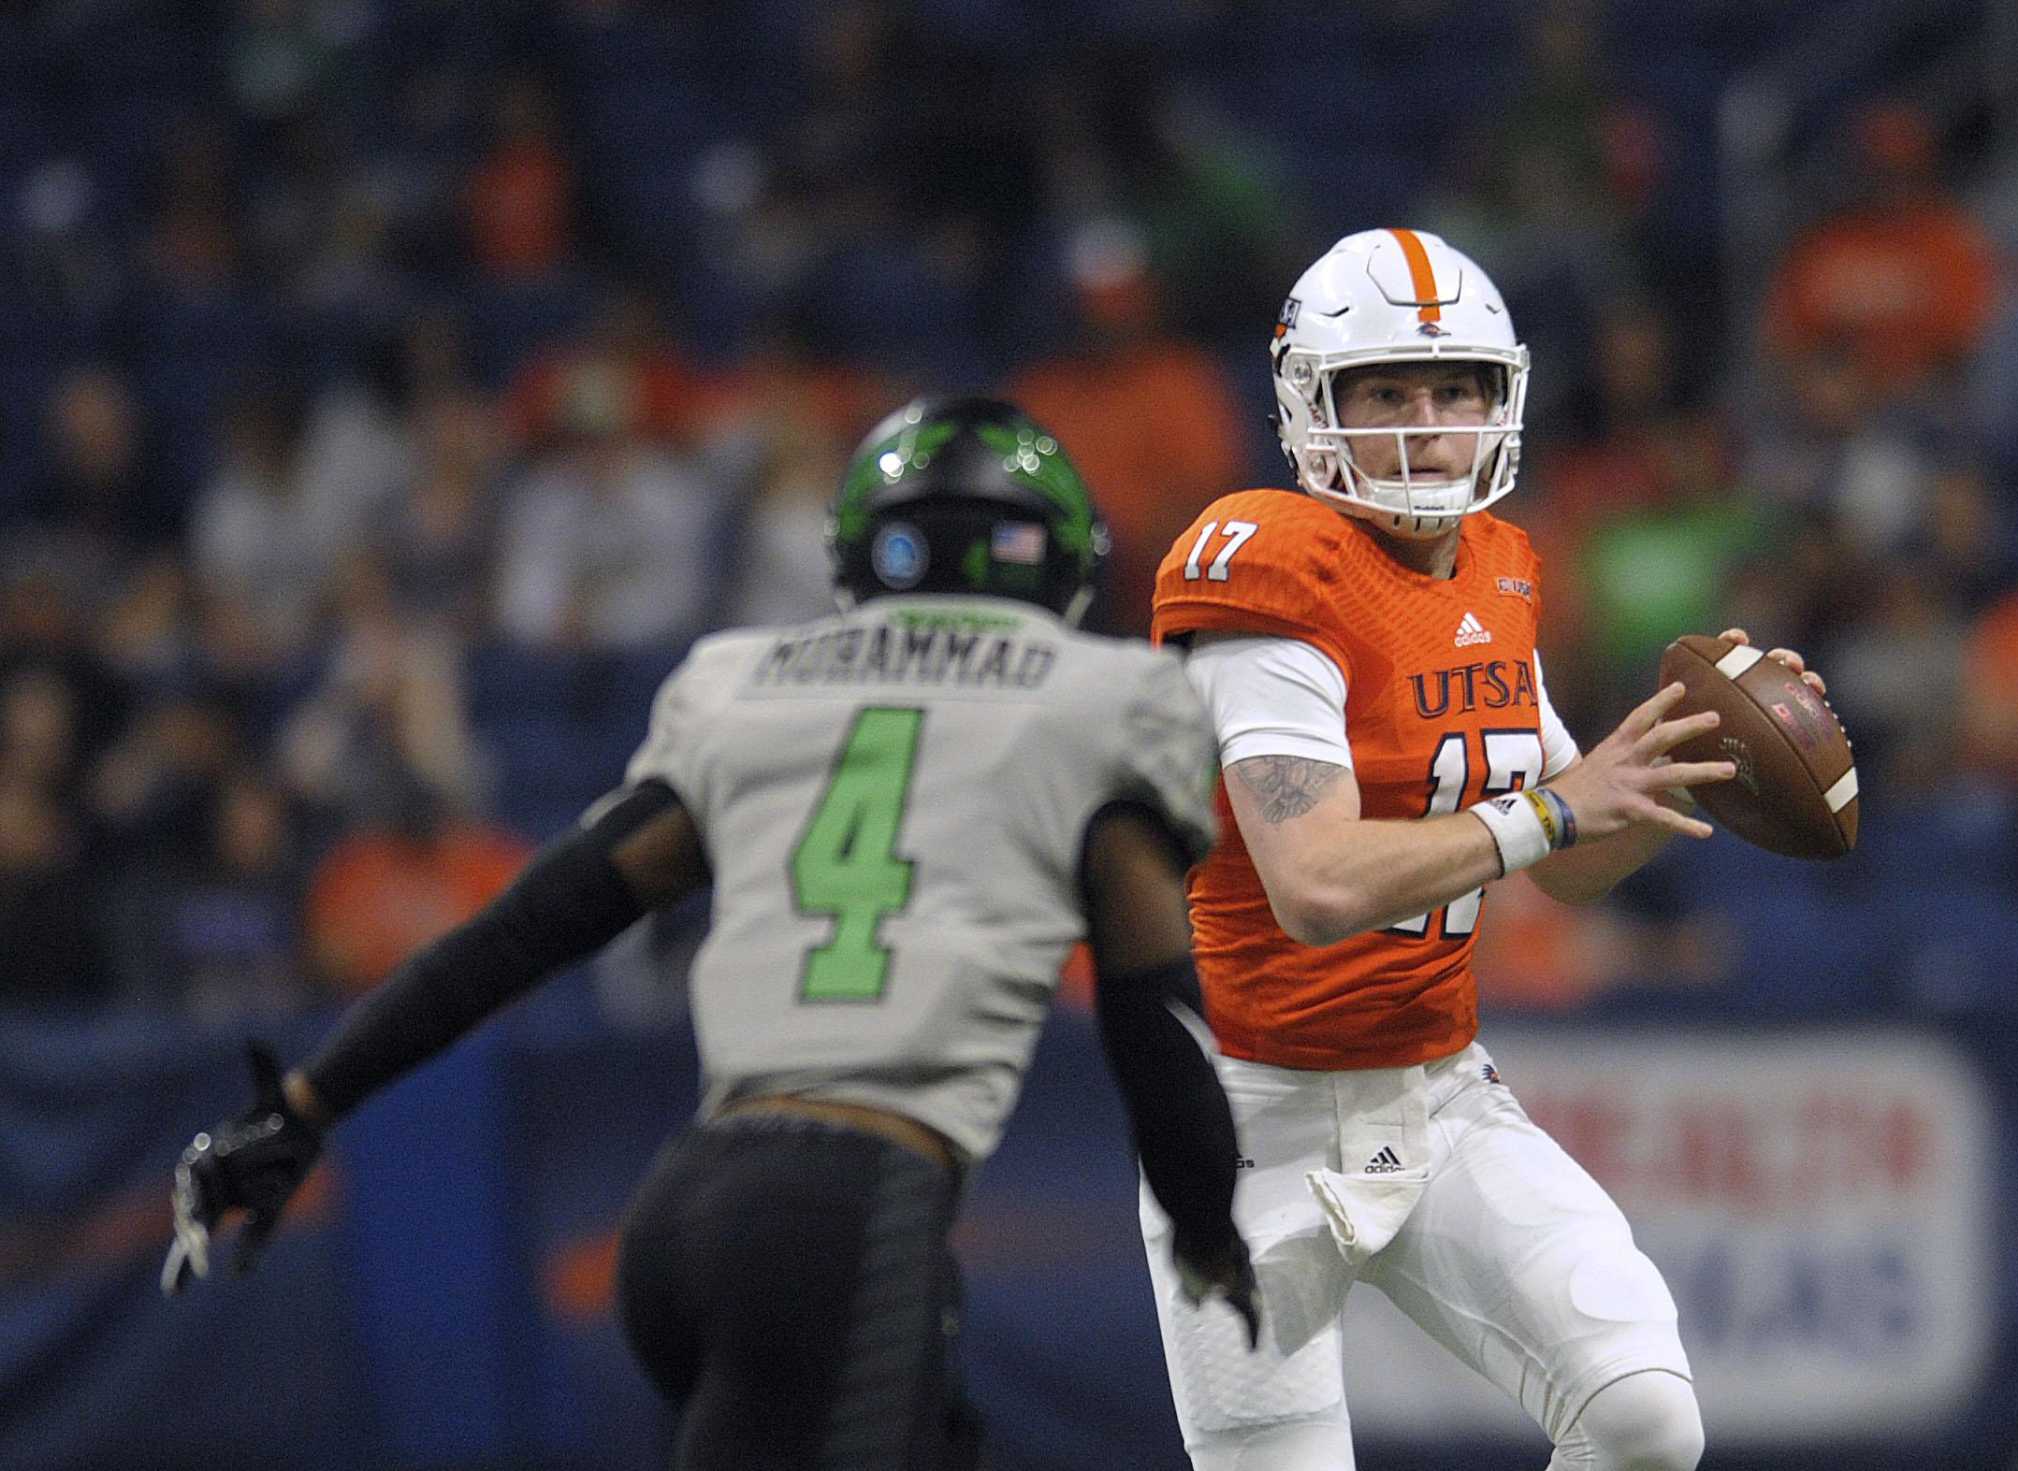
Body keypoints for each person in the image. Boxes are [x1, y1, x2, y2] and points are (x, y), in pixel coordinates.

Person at [161, 396, 1260, 1469]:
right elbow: (1150, 1014)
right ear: (1059, 557)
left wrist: (307, 1101)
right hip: (849, 1212)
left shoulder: (748, 681)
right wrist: (1209, 1230)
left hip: (689, 1204)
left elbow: (529, 927)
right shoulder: (1110, 697)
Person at [1143, 228, 1830, 1471]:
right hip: (1248, 1120)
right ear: (1312, 406)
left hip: (1435, 1089)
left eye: (1452, 388)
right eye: (1385, 392)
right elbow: (1314, 884)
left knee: (1640, 1414)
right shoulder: (1267, 572)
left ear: (1498, 398)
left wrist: (1672, 765)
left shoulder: (1503, 566)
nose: (1425, 423)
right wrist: (1558, 809)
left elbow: (1563, 855)